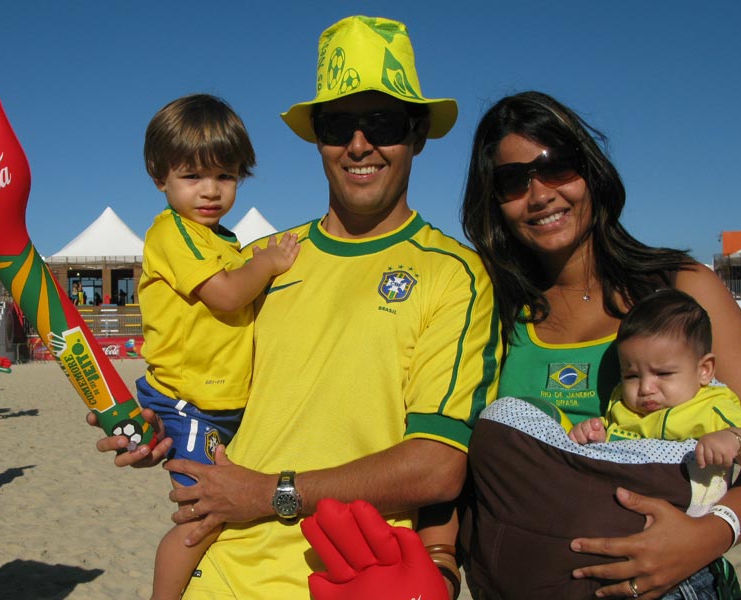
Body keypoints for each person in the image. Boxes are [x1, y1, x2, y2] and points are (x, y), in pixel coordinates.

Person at [92, 15, 500, 599]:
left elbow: (436, 466)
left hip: (351, 578)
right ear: (317, 138)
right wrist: (157, 428)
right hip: (219, 570)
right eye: (337, 125)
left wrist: (270, 493)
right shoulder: (260, 261)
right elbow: (209, 388)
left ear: (416, 134)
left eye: (382, 123)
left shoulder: (453, 274)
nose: (358, 144)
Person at [460, 91, 741, 598]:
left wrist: (706, 536)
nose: (540, 194)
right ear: (494, 201)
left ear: (590, 171)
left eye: (556, 166)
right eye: (512, 181)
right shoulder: (493, 308)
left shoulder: (681, 288)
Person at [137, 92, 299, 600]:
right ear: (159, 176)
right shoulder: (174, 233)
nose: (210, 191)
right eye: (192, 176)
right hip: (189, 402)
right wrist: (266, 263)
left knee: (233, 508)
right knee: (200, 517)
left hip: (224, 402)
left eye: (225, 176)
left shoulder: (222, 240)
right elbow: (227, 296)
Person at [569, 290, 741, 478]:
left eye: (663, 373)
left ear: (704, 370)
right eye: (631, 376)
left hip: (687, 500)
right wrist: (594, 436)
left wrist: (735, 440)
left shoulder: (711, 407)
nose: (645, 388)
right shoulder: (621, 405)